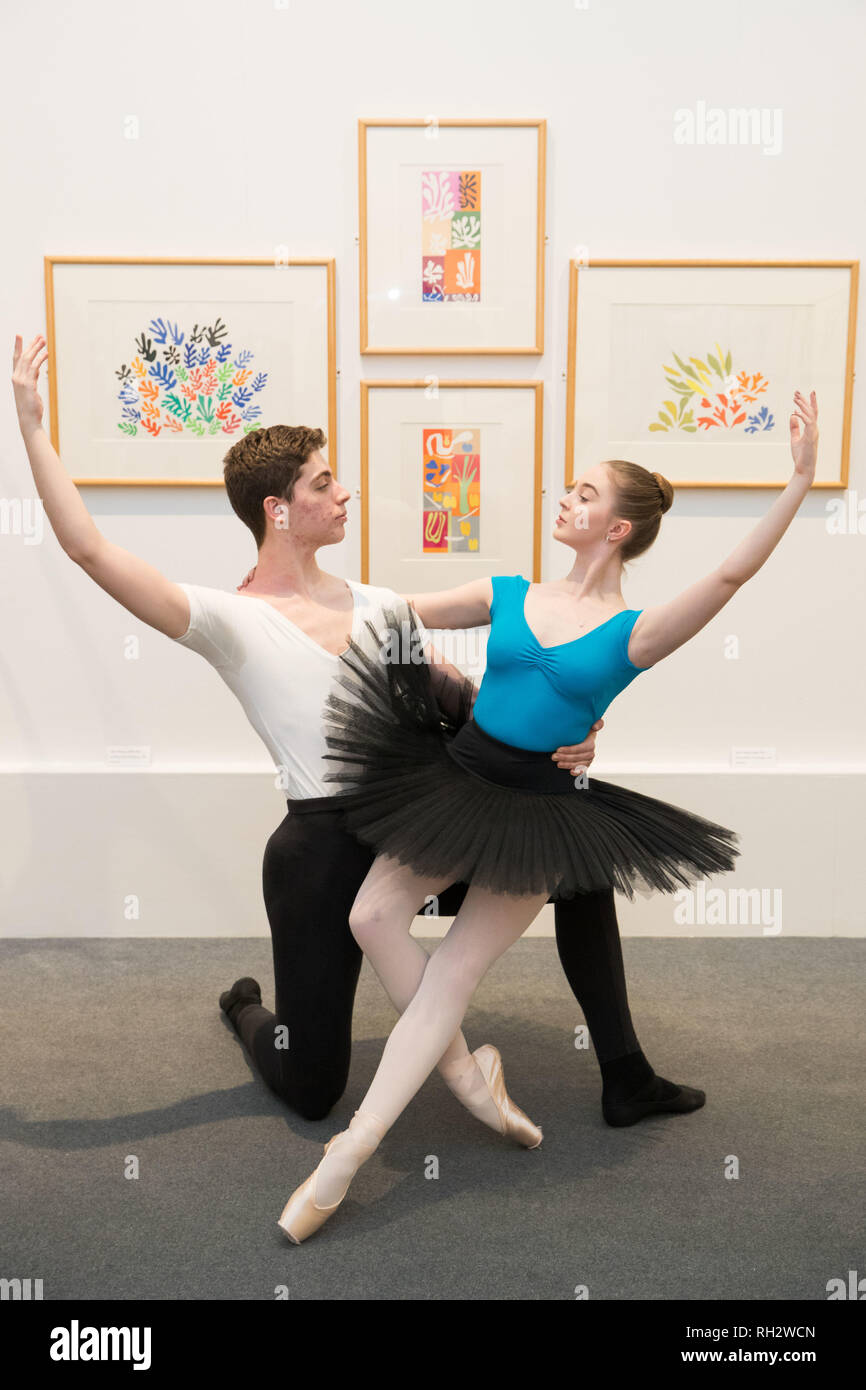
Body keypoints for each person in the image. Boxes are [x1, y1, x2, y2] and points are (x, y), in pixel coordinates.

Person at [11, 331, 699, 1146]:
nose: (346, 493)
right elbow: (89, 549)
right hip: (324, 851)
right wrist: (31, 428)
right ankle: (246, 1012)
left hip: (425, 814)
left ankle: (625, 1072)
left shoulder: (379, 603)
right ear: (278, 510)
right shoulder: (232, 621)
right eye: (324, 482)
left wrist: (581, 730)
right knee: (313, 1092)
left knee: (579, 863)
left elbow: (479, 701)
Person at [277, 389, 819, 1243]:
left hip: (538, 814)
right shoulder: (510, 590)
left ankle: (348, 1152)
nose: (563, 500)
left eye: (584, 494)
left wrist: (798, 483)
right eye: (568, 489)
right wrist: (295, 588)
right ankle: (467, 1079)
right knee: (370, 915)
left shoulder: (635, 633)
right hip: (454, 781)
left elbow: (728, 575)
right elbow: (396, 615)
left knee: (452, 974)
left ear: (618, 530)